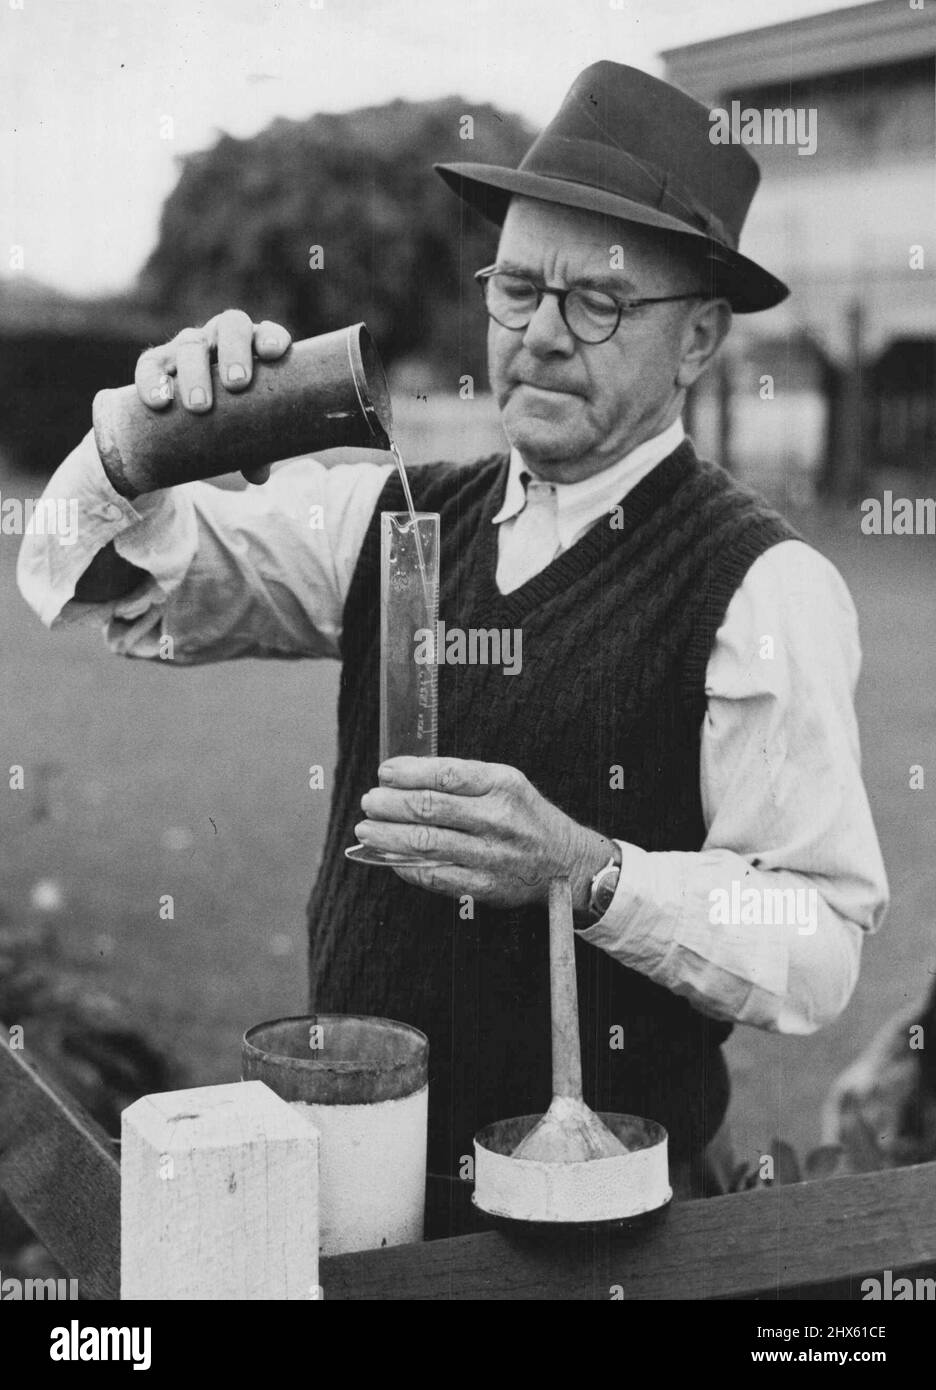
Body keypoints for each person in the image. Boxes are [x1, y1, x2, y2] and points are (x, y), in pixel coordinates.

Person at [18, 61, 888, 1233]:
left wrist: (589, 871)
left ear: (699, 341)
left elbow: (821, 938)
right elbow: (85, 576)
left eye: (600, 301)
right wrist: (139, 438)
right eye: (518, 286)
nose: (542, 335)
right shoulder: (392, 518)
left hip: (596, 1226)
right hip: (351, 1193)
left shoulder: (765, 587)